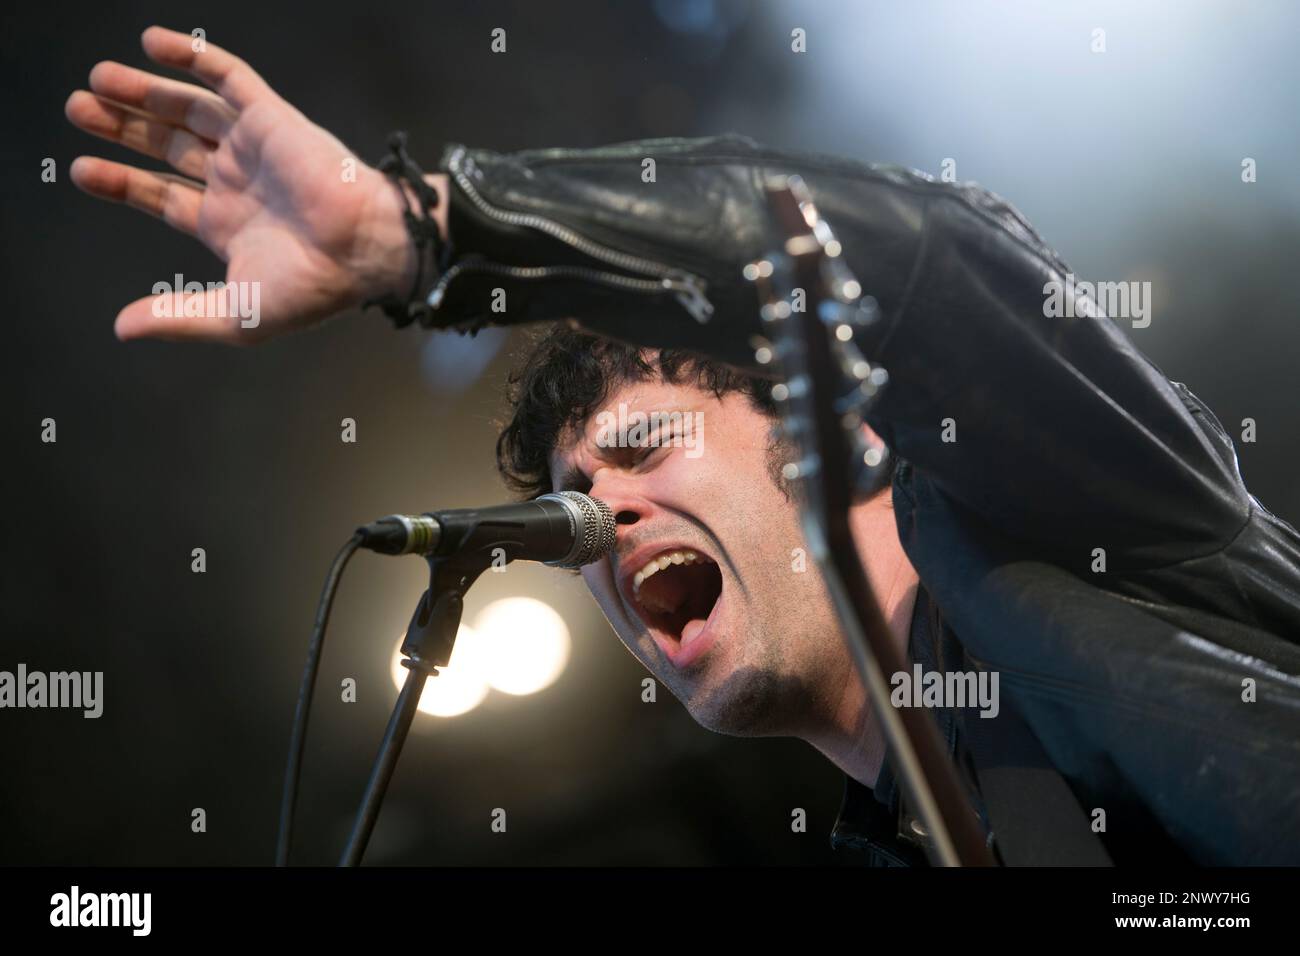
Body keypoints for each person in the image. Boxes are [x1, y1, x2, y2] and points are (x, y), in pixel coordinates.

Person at [65, 26, 1300, 865]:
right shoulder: (892, 834)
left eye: (643, 445)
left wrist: (437, 232)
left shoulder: (1070, 518)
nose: (598, 517)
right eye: (574, 497)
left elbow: (933, 267)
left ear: (840, 425)